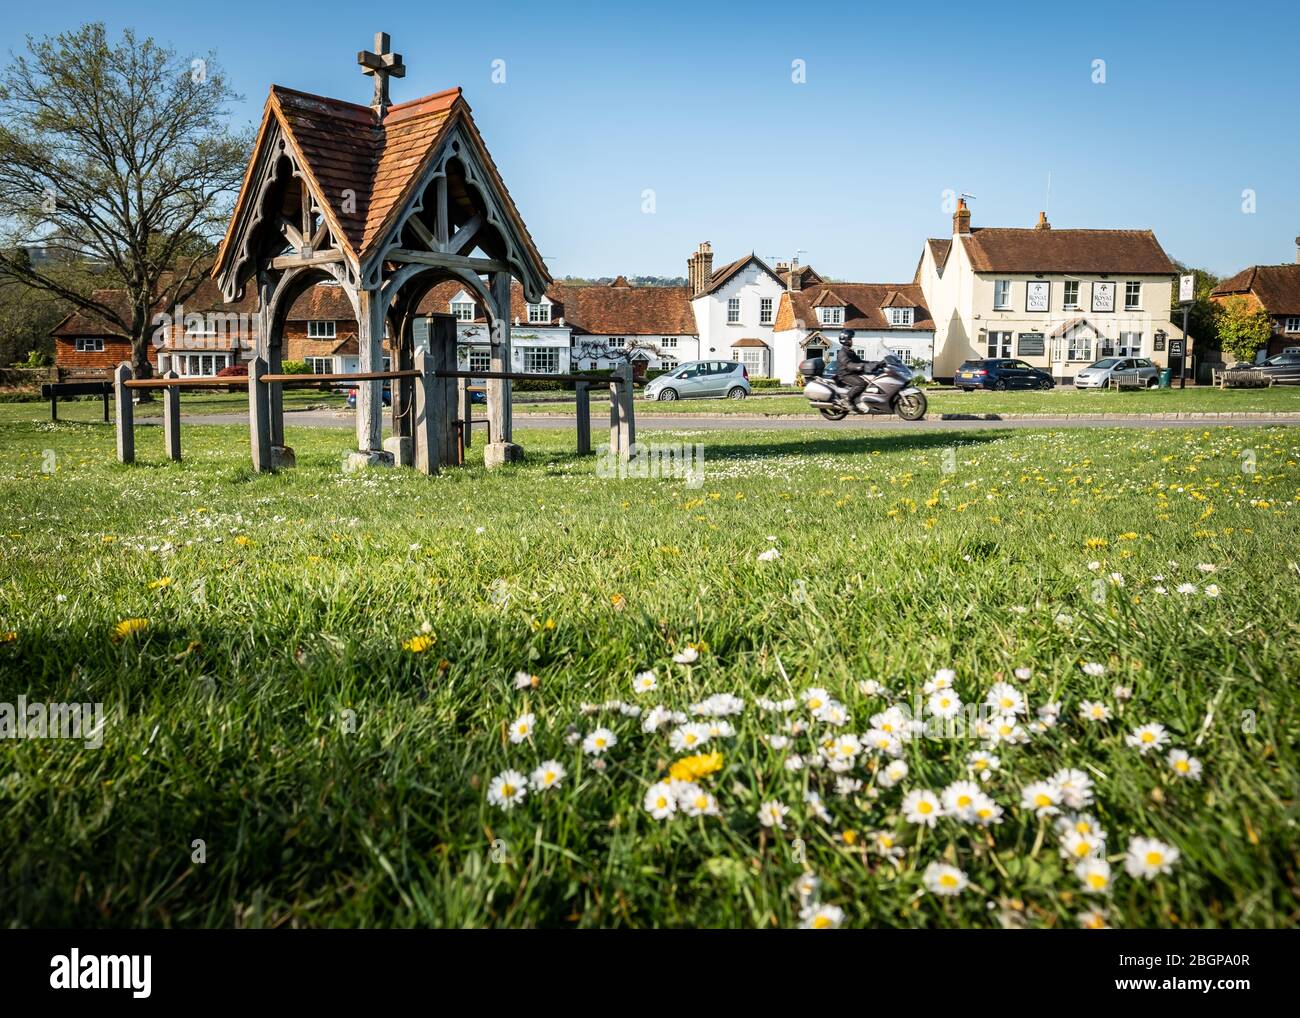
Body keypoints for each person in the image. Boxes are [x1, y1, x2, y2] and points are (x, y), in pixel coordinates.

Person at [834, 331, 876, 409]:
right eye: (850, 339)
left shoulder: (849, 351)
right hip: (845, 374)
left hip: (851, 373)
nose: (851, 341)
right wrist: (861, 366)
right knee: (861, 384)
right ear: (845, 340)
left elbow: (860, 361)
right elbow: (848, 365)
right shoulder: (842, 353)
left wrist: (876, 363)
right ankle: (847, 399)